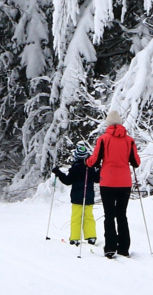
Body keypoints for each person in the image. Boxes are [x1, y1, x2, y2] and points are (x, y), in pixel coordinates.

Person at [86, 110, 141, 259]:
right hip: (125, 183)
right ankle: (124, 248)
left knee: (109, 215)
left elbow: (95, 160)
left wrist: (87, 161)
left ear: (108, 123)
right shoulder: (129, 140)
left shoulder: (103, 139)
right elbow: (136, 162)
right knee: (122, 215)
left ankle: (110, 247)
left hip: (108, 182)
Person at [52, 141, 100, 245]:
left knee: (76, 218)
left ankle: (75, 238)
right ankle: (91, 236)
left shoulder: (74, 169)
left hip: (77, 197)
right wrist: (100, 168)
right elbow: (97, 179)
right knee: (89, 217)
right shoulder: (90, 168)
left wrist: (58, 173)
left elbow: (67, 181)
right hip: (89, 197)